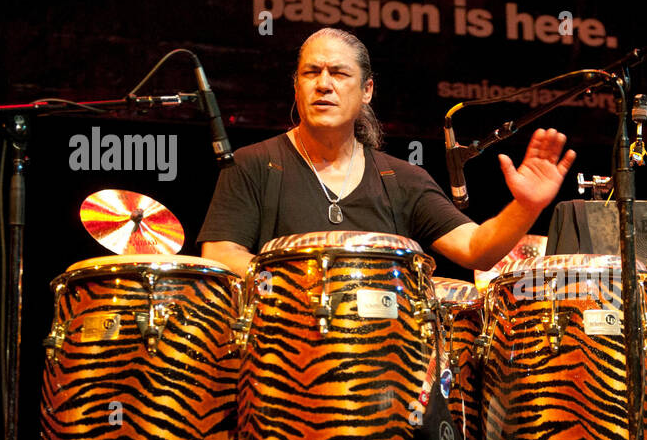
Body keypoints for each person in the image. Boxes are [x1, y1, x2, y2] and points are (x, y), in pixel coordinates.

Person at [199, 27, 575, 273]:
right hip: (284, 360)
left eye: (340, 73)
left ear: (367, 92)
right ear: (296, 87)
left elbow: (478, 249)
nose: (324, 85)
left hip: (384, 365)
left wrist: (527, 206)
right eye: (311, 73)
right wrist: (299, 286)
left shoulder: (403, 179)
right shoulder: (252, 164)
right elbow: (220, 255)